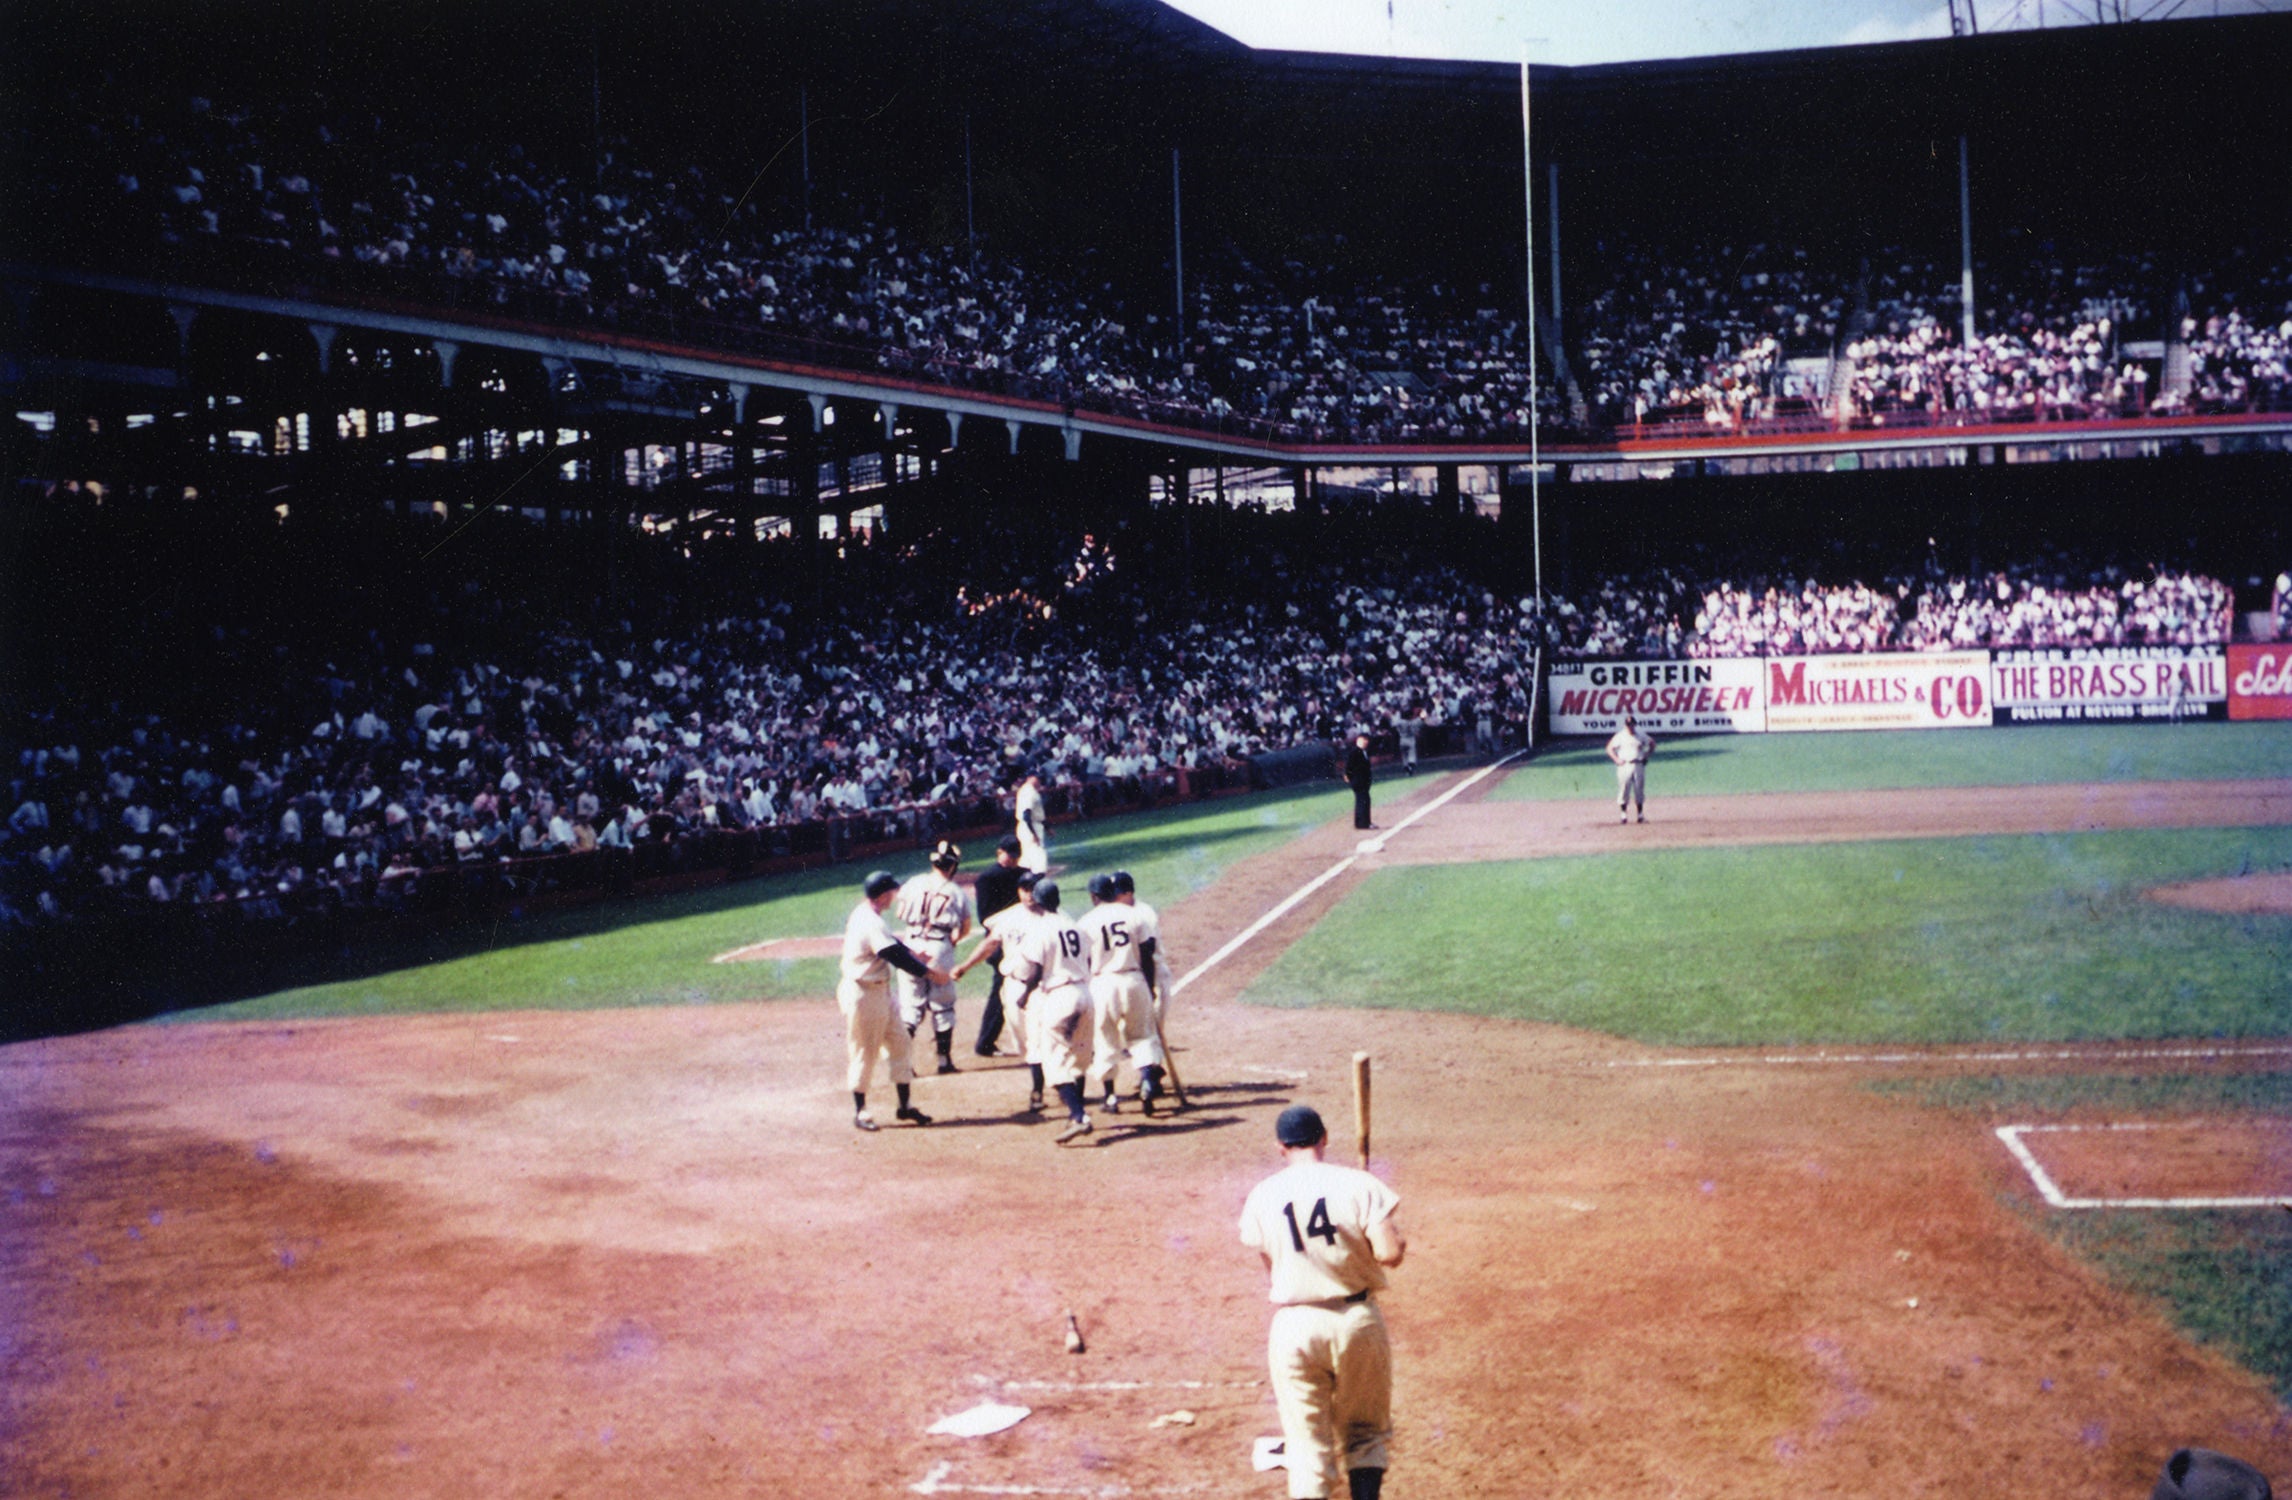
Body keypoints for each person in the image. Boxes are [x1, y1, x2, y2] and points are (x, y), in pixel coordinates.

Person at [1239, 1105, 1405, 1500]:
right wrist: (1390, 1241)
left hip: (1294, 1325)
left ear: (1280, 1147)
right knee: (1365, 1434)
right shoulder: (1358, 1184)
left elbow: (1272, 1266)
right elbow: (1389, 1254)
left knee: (1306, 1445)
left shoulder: (1263, 1194)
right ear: (1324, 1137)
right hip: (1356, 1320)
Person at [838, 870, 951, 1132]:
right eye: (892, 891)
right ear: (883, 894)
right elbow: (892, 955)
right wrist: (930, 973)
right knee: (865, 1051)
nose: (894, 896)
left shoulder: (869, 914)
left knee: (900, 1043)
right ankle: (861, 1111)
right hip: (863, 993)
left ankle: (904, 1106)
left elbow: (894, 946)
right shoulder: (870, 921)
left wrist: (915, 953)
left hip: (880, 992)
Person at [1007, 878, 1097, 1144]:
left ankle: (1079, 1116)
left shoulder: (1040, 929)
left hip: (1059, 997)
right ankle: (1076, 1112)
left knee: (1053, 1061)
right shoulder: (1076, 926)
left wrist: (1024, 994)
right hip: (1085, 993)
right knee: (1079, 1058)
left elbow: (1032, 971)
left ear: (1039, 900)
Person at [951, 867, 1045, 1109]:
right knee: (1025, 1044)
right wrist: (965, 965)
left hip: (1043, 988)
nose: (1029, 894)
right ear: (1019, 891)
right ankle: (1044, 1078)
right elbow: (991, 943)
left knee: (1040, 1040)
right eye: (1025, 889)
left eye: (1033, 888)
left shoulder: (1052, 916)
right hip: (1013, 986)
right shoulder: (1009, 917)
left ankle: (1040, 1090)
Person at [1078, 872, 1168, 1116]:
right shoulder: (1134, 915)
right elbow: (1148, 952)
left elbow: (1083, 961)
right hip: (1134, 979)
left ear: (1094, 896)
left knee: (1105, 1040)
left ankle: (1110, 1098)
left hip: (1102, 984)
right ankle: (1148, 1079)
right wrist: (1148, 987)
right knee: (1142, 1036)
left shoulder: (1085, 922)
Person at [896, 839, 974, 1075]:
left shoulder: (914, 882)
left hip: (911, 944)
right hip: (939, 946)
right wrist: (953, 940)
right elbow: (966, 926)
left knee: (910, 1006)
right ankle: (943, 1061)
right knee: (943, 1004)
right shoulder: (955, 891)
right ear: (952, 866)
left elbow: (900, 912)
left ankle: (904, 1065)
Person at [968, 834, 1028, 1057]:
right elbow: (985, 916)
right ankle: (985, 1042)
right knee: (1001, 992)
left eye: (1015, 856)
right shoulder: (987, 878)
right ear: (999, 852)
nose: (1011, 860)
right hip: (1001, 942)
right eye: (1008, 855)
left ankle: (987, 1041)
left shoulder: (1023, 875)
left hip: (1022, 938)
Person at [1604, 713, 1654, 824]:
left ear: (1635, 725)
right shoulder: (1620, 736)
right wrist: (1616, 759)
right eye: (1628, 725)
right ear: (1625, 725)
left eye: (1632, 725)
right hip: (1625, 765)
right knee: (1624, 789)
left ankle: (1640, 815)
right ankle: (1623, 815)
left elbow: (1652, 743)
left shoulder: (1640, 735)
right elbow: (1609, 748)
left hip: (1638, 764)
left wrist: (1646, 755)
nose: (1630, 727)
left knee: (1639, 789)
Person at [1014, 770, 1050, 874]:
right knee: (1038, 853)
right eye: (1036, 778)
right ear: (1029, 778)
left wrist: (1047, 827)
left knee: (1027, 855)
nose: (1039, 780)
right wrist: (1033, 833)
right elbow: (1026, 814)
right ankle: (1038, 877)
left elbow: (1038, 813)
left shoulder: (1031, 790)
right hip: (1029, 826)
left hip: (1030, 825)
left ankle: (1025, 879)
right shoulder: (1028, 792)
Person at [1343, 734, 1374, 832]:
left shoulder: (1364, 752)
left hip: (1364, 781)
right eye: (1364, 740)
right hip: (1358, 781)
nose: (1366, 742)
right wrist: (1348, 776)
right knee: (1362, 801)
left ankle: (1365, 822)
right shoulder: (1355, 752)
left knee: (1364, 800)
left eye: (1367, 740)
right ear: (1358, 740)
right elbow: (1349, 766)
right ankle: (1363, 823)